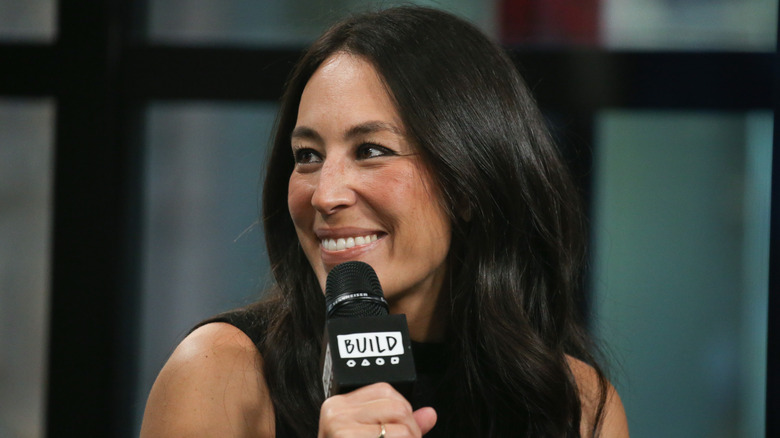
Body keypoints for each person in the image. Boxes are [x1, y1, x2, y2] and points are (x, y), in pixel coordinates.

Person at [140, 6, 628, 437]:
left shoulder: (575, 403)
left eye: (371, 151)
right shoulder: (220, 373)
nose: (326, 194)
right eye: (307, 155)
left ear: (468, 183)